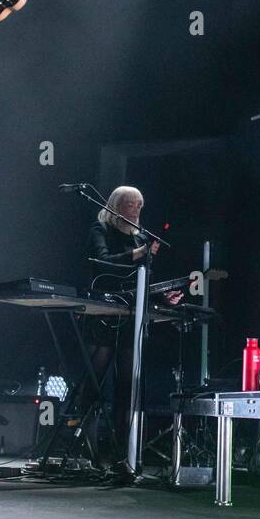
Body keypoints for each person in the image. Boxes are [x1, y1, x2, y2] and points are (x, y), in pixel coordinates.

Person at [85, 186, 181, 470]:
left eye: (140, 205)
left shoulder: (141, 236)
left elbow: (143, 279)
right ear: (116, 204)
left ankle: (121, 451)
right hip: (102, 310)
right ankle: (86, 444)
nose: (135, 210)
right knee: (95, 377)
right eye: (130, 204)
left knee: (128, 384)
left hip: (131, 314)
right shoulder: (100, 228)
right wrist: (138, 254)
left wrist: (163, 296)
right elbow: (101, 262)